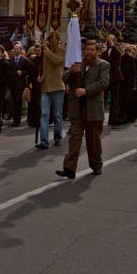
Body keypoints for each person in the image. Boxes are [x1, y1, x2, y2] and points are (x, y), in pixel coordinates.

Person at [56, 39, 110, 178]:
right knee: (74, 141)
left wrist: (86, 91)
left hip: (92, 110)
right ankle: (69, 169)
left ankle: (96, 165)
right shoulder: (78, 64)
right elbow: (64, 78)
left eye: (92, 50)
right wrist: (72, 72)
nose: (90, 52)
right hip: (77, 109)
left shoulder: (103, 65)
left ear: (97, 51)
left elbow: (103, 83)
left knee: (93, 142)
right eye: (88, 50)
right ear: (84, 51)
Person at [35, 32, 65, 150]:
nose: (52, 41)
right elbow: (41, 66)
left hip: (58, 85)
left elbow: (56, 61)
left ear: (57, 40)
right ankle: (44, 140)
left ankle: (57, 137)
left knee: (57, 115)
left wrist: (46, 49)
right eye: (50, 39)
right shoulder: (44, 51)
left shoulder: (61, 50)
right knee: (44, 114)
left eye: (54, 39)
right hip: (45, 86)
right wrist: (40, 75)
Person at [102, 34, 124, 127]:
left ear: (114, 41)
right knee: (103, 98)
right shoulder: (104, 52)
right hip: (106, 78)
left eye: (111, 39)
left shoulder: (117, 50)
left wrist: (113, 45)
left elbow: (119, 55)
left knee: (115, 100)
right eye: (108, 39)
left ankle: (114, 120)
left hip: (115, 78)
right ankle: (101, 119)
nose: (109, 41)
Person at [7, 41, 31, 126]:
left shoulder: (25, 60)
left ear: (21, 50)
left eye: (18, 49)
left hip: (21, 84)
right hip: (13, 84)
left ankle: (17, 121)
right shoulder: (10, 61)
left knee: (18, 101)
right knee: (13, 102)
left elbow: (29, 71)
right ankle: (14, 119)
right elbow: (8, 71)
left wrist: (22, 72)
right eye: (15, 49)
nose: (16, 50)